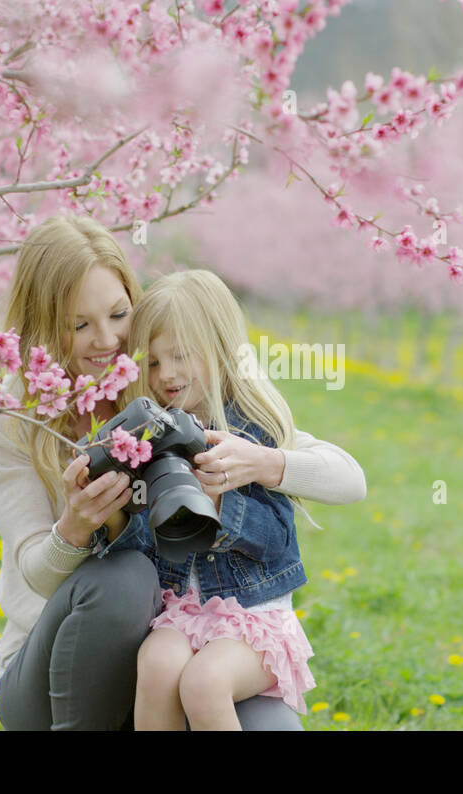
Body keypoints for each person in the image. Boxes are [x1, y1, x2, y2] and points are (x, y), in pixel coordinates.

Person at [0, 213, 366, 730]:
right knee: (126, 579)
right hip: (53, 672)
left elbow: (347, 476)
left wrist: (264, 463)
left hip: (189, 651)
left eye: (118, 314)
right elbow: (36, 576)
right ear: (44, 327)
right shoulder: (7, 416)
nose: (107, 340)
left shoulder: (164, 395)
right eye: (79, 324)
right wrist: (75, 527)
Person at [102, 269, 315, 730]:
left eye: (180, 356)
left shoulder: (251, 430)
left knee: (204, 682)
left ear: (219, 347)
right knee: (157, 665)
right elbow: (140, 542)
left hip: (253, 619)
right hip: (182, 611)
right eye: (153, 363)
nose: (167, 374)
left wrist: (219, 504)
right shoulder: (148, 437)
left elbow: (278, 538)